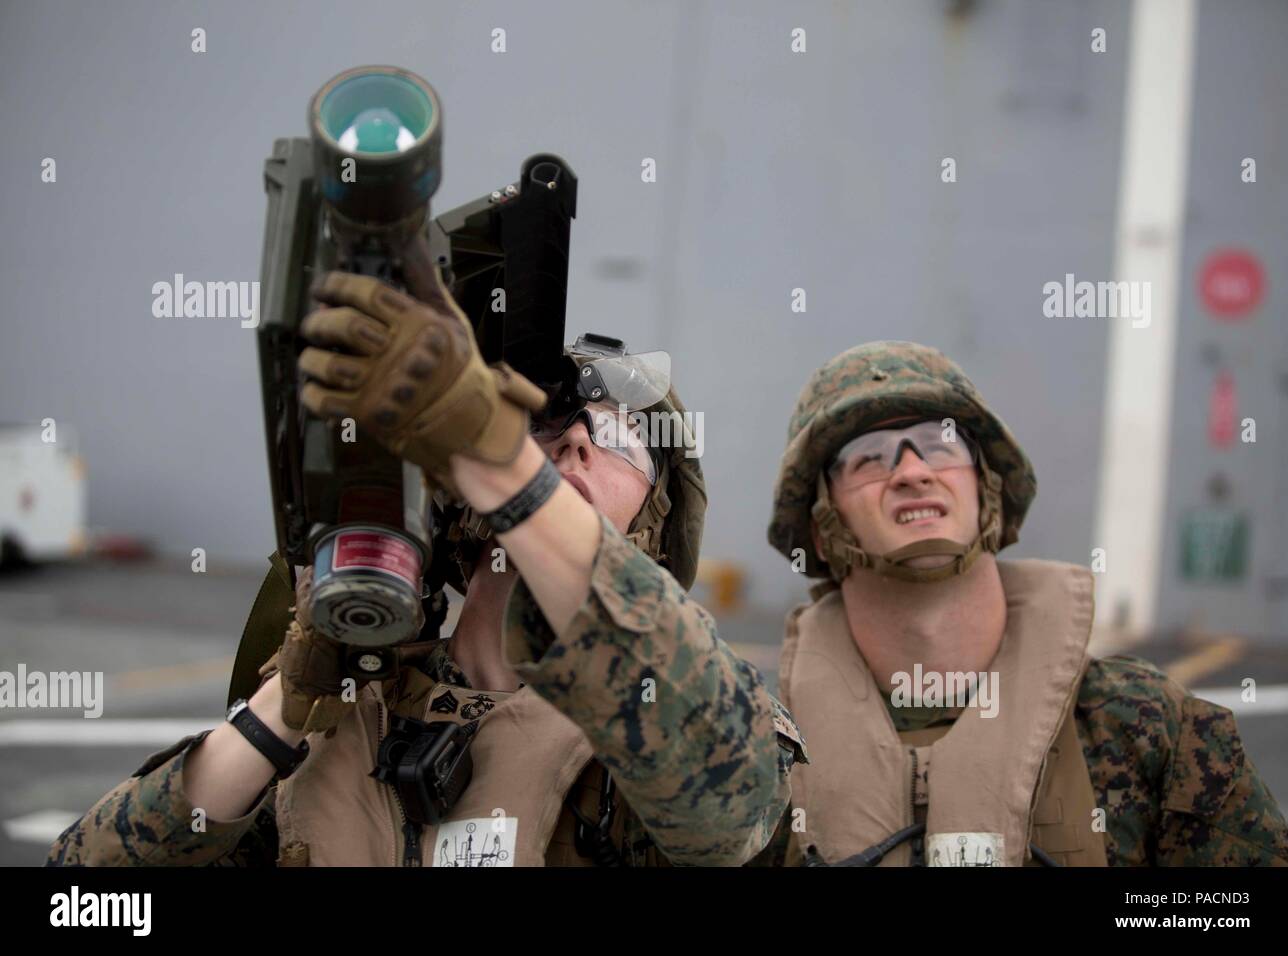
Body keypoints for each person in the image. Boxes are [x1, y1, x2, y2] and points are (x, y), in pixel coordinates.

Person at [47, 268, 805, 867]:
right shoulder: (340, 718)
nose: (576, 443)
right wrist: (289, 703)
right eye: (543, 421)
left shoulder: (668, 726)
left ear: (655, 523)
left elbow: (731, 821)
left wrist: (515, 473)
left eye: (620, 440)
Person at [752, 340, 1288, 867]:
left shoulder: (1148, 728)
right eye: (867, 458)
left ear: (989, 490)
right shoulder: (751, 758)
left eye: (941, 444)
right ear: (821, 528)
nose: (913, 471)